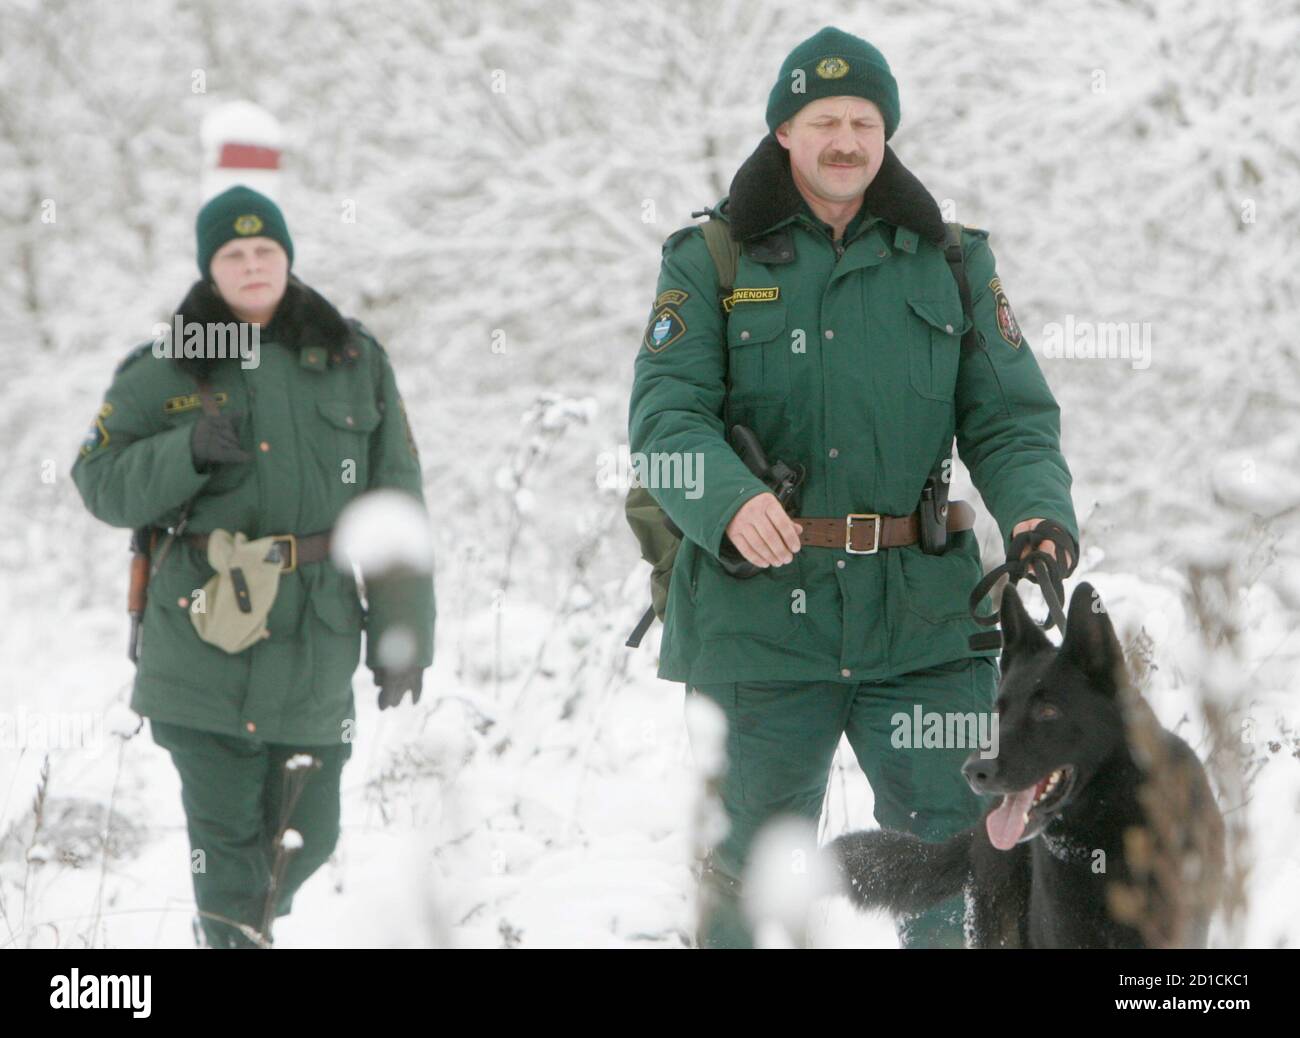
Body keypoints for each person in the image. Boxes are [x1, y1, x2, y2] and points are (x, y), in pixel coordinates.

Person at [628, 27, 1079, 948]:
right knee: (747, 870)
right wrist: (729, 501)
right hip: (757, 623)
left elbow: (1010, 419)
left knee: (961, 855)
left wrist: (1037, 513)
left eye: (864, 122)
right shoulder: (711, 259)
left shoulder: (951, 259)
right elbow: (664, 423)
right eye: (823, 120)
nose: (845, 140)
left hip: (921, 620)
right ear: (784, 132)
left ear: (886, 133)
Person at [72, 184, 436, 947]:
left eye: (265, 249)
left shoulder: (352, 359)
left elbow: (395, 499)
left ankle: (238, 933)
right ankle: (234, 935)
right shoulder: (164, 366)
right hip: (201, 641)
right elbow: (98, 481)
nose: (251, 265)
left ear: (287, 257)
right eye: (233, 254)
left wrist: (403, 629)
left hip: (315, 640)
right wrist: (184, 451)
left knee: (311, 836)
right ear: (210, 268)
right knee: (230, 857)